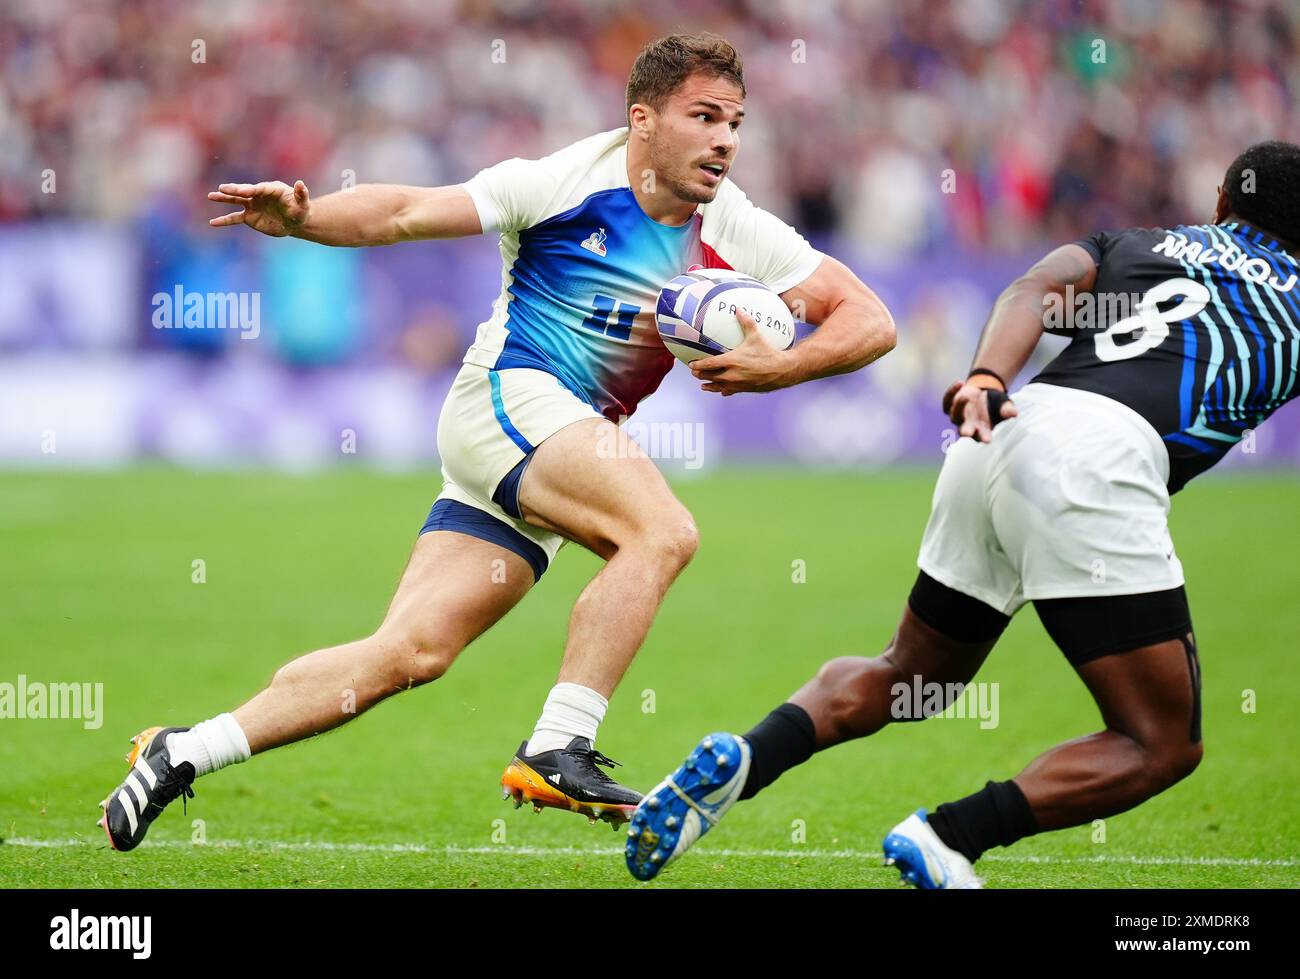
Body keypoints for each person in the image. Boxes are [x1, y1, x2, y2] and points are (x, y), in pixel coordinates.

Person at [97, 33, 895, 851]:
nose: (726, 139)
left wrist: (785, 368)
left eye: (736, 121)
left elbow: (873, 320)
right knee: (660, 531)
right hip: (511, 400)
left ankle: (182, 750)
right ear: (643, 120)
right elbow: (407, 210)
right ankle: (560, 744)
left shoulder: (737, 226)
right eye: (705, 117)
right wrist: (306, 219)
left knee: (409, 650)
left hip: (556, 444)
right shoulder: (559, 183)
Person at [626, 141, 1300, 888]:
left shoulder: (1137, 243)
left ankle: (751, 756)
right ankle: (949, 835)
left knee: (911, 673)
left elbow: (1032, 287)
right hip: (1098, 464)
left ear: (1219, 205)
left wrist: (985, 376)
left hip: (1001, 426)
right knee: (1162, 742)